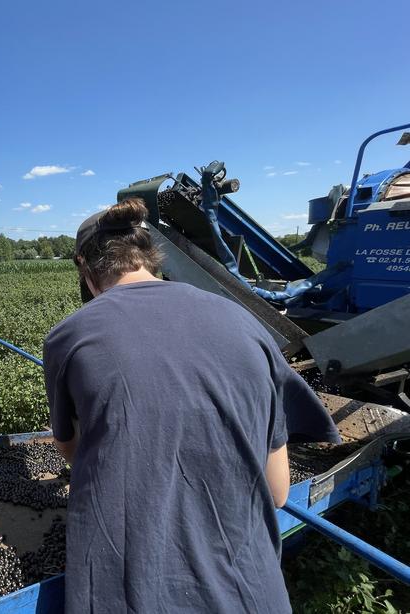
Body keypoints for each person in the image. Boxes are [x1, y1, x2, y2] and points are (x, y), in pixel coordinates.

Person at [42, 198, 341, 613]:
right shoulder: (246, 324)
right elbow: (276, 491)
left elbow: (71, 447)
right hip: (252, 593)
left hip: (125, 593)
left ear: (84, 267)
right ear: (151, 257)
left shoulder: (68, 337)